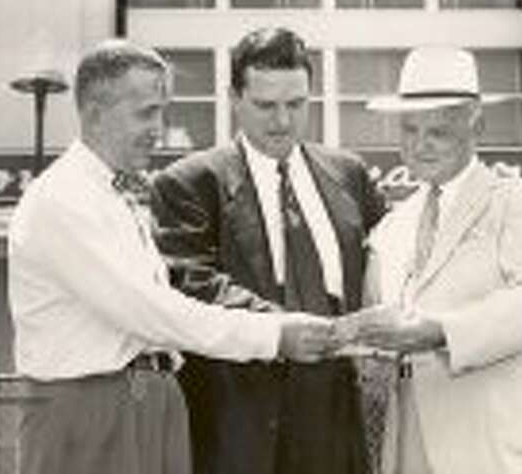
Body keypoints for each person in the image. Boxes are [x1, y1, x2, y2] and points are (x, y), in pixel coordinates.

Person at [8, 39, 337, 474]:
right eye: (145, 112)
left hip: (149, 402)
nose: (159, 128)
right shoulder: (62, 199)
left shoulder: (115, 194)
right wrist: (275, 335)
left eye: (161, 111)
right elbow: (151, 312)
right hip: (90, 410)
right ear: (93, 114)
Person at [150, 27, 387, 474]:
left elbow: (392, 263)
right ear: (234, 98)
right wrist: (280, 329)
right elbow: (190, 284)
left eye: (296, 105)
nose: (282, 121)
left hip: (338, 421)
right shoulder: (188, 183)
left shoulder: (350, 173)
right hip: (239, 429)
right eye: (265, 106)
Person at [338, 45, 522, 474]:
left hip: (493, 445)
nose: (420, 145)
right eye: (409, 130)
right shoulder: (392, 227)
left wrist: (440, 332)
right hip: (407, 436)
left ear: (476, 124)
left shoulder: (519, 204)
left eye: (438, 132)